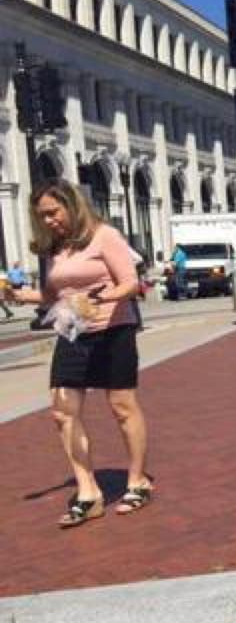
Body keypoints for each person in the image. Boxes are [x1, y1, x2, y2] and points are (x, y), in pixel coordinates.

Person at [2, 181, 153, 527]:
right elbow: (52, 295)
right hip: (72, 333)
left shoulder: (104, 236)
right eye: (42, 216)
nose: (49, 221)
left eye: (53, 213)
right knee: (61, 411)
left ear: (71, 205)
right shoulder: (55, 248)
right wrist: (16, 296)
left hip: (113, 329)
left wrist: (101, 298)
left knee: (121, 407)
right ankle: (89, 492)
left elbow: (131, 283)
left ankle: (137, 481)